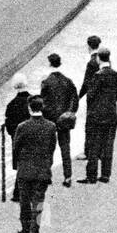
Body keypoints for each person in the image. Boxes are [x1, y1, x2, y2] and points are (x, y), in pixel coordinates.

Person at [13, 97, 56, 233]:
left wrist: (17, 166)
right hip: (42, 170)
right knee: (38, 201)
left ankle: (25, 228)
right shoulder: (51, 126)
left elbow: (16, 148)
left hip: (25, 170)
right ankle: (34, 231)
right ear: (42, 107)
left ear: (29, 108)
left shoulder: (22, 126)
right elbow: (52, 148)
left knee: (24, 200)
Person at [81, 49, 117, 183]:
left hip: (98, 115)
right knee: (108, 145)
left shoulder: (97, 76)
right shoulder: (116, 75)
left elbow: (91, 95)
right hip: (111, 113)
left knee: (94, 145)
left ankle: (91, 175)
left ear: (99, 58)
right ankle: (105, 174)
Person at [39, 53, 78, 187]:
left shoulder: (46, 82)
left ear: (49, 64)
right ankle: (68, 176)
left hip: (50, 119)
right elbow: (75, 99)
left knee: (48, 148)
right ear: (60, 64)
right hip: (64, 120)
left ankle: (47, 176)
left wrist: (47, 114)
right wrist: (69, 113)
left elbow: (42, 102)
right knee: (65, 148)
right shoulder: (68, 81)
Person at [4, 74, 32, 202]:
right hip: (33, 138)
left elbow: (9, 127)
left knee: (21, 166)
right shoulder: (34, 101)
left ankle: (18, 193)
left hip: (17, 140)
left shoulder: (11, 105)